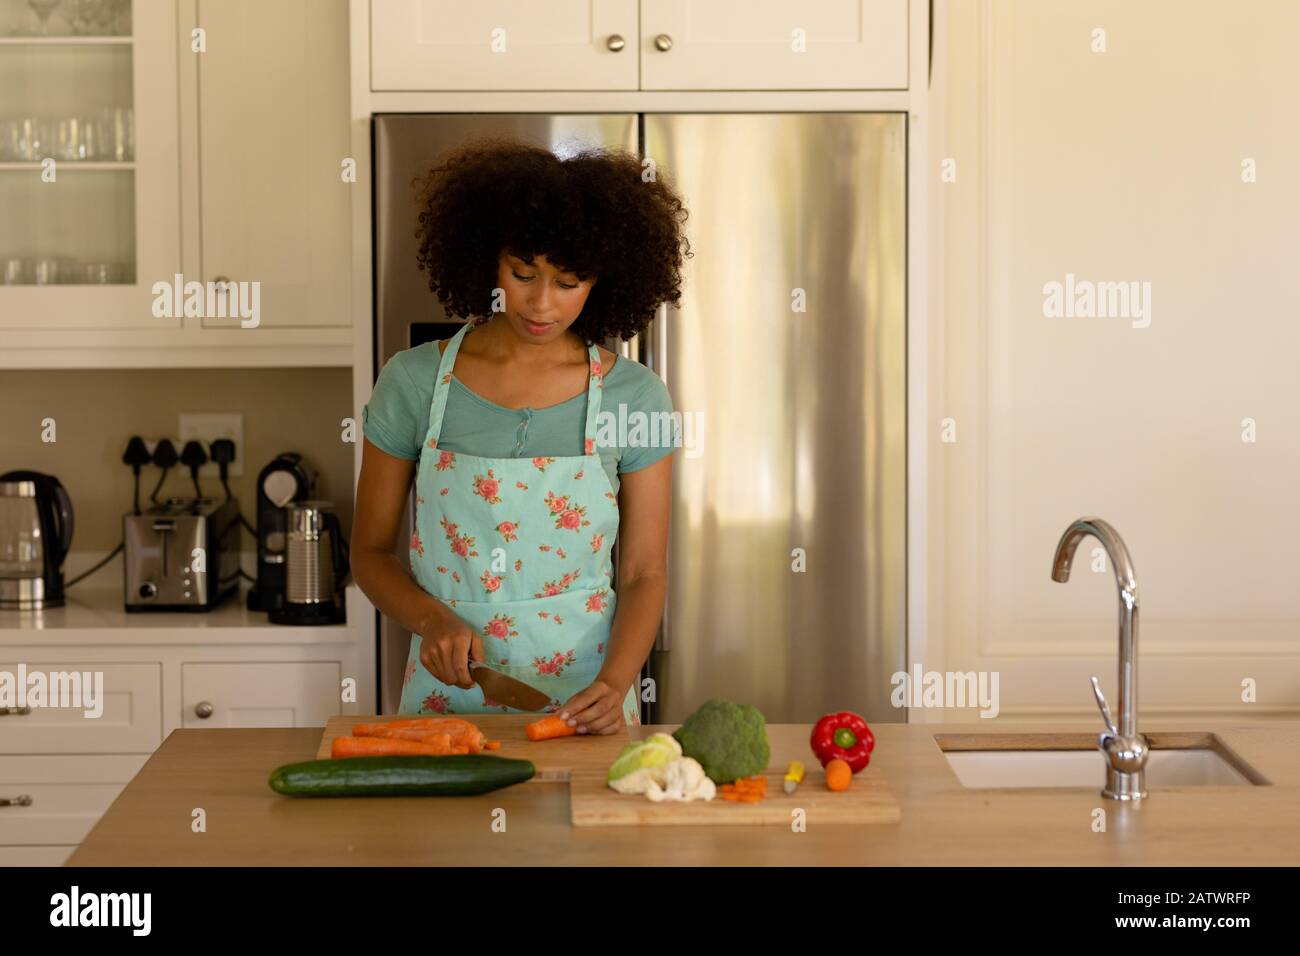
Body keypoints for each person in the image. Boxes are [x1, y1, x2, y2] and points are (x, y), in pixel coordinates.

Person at [352, 138, 691, 734]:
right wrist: (431, 621)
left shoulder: (634, 396)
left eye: (569, 281)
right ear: (487, 260)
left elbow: (643, 573)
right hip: (447, 701)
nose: (541, 303)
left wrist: (614, 686)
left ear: (603, 279)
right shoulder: (413, 383)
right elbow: (370, 552)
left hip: (588, 701)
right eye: (523, 273)